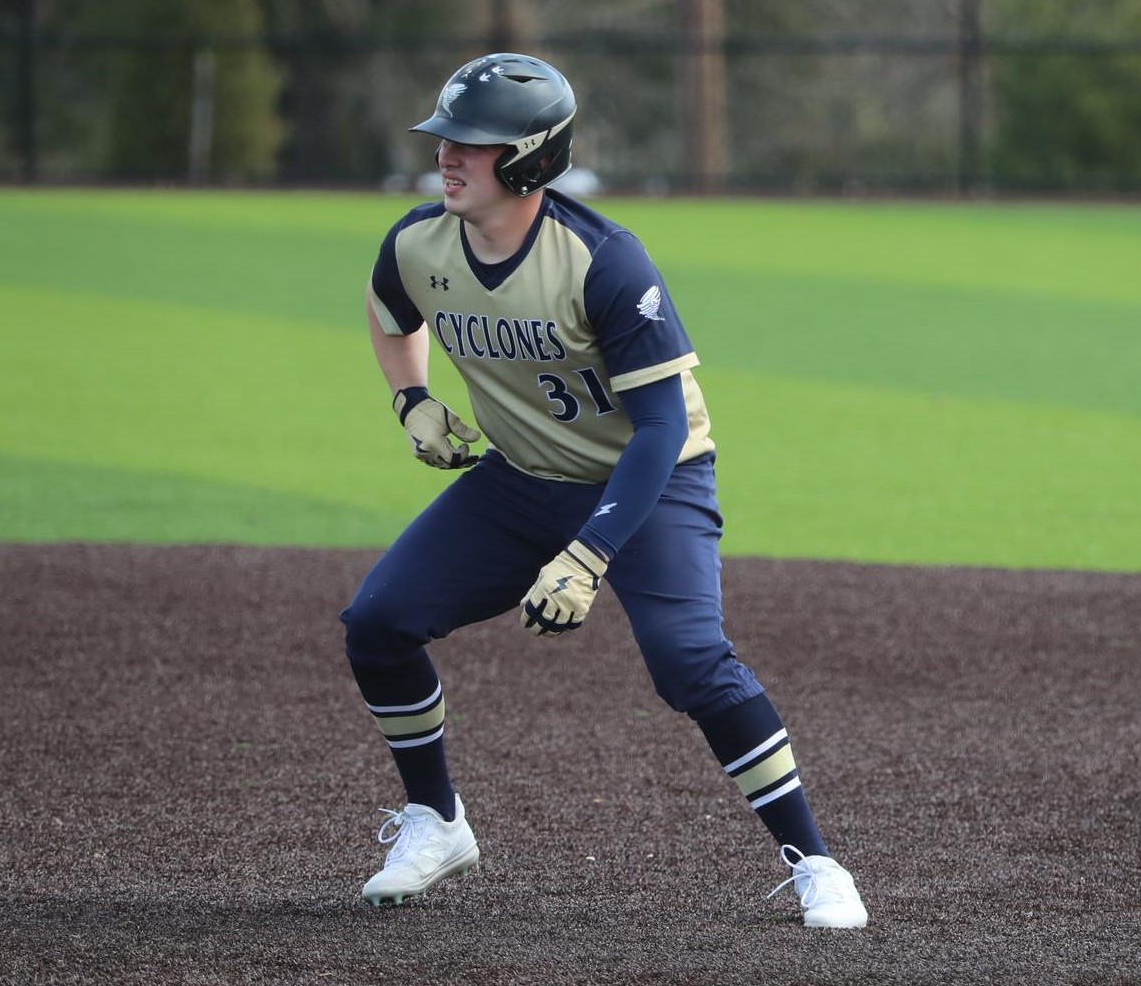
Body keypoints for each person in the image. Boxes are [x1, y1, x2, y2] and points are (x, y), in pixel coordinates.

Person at [339, 52, 868, 929]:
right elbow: (389, 310)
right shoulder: (418, 240)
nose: (448, 156)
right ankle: (437, 822)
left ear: (531, 157)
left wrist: (587, 557)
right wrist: (411, 401)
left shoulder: (604, 260)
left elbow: (661, 428)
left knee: (690, 662)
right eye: (445, 139)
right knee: (377, 623)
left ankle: (815, 860)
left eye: (472, 143)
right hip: (519, 480)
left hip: (651, 482)